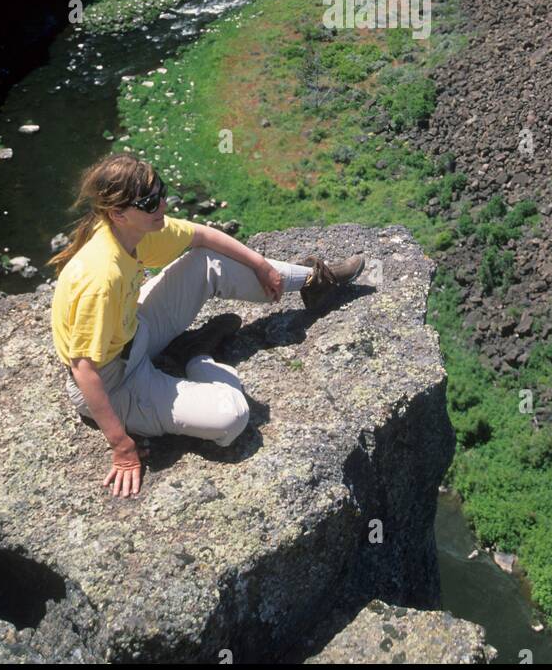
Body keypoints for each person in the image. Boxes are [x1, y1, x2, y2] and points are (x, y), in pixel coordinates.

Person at [50, 153, 364, 499]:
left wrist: (261, 265)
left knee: (207, 262)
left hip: (133, 332)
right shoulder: (101, 276)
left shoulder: (130, 232)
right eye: (151, 201)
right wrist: (121, 446)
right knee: (232, 419)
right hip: (116, 381)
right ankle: (194, 355)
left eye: (161, 192)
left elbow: (201, 237)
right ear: (118, 212)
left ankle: (316, 280)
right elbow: (83, 369)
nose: (163, 205)